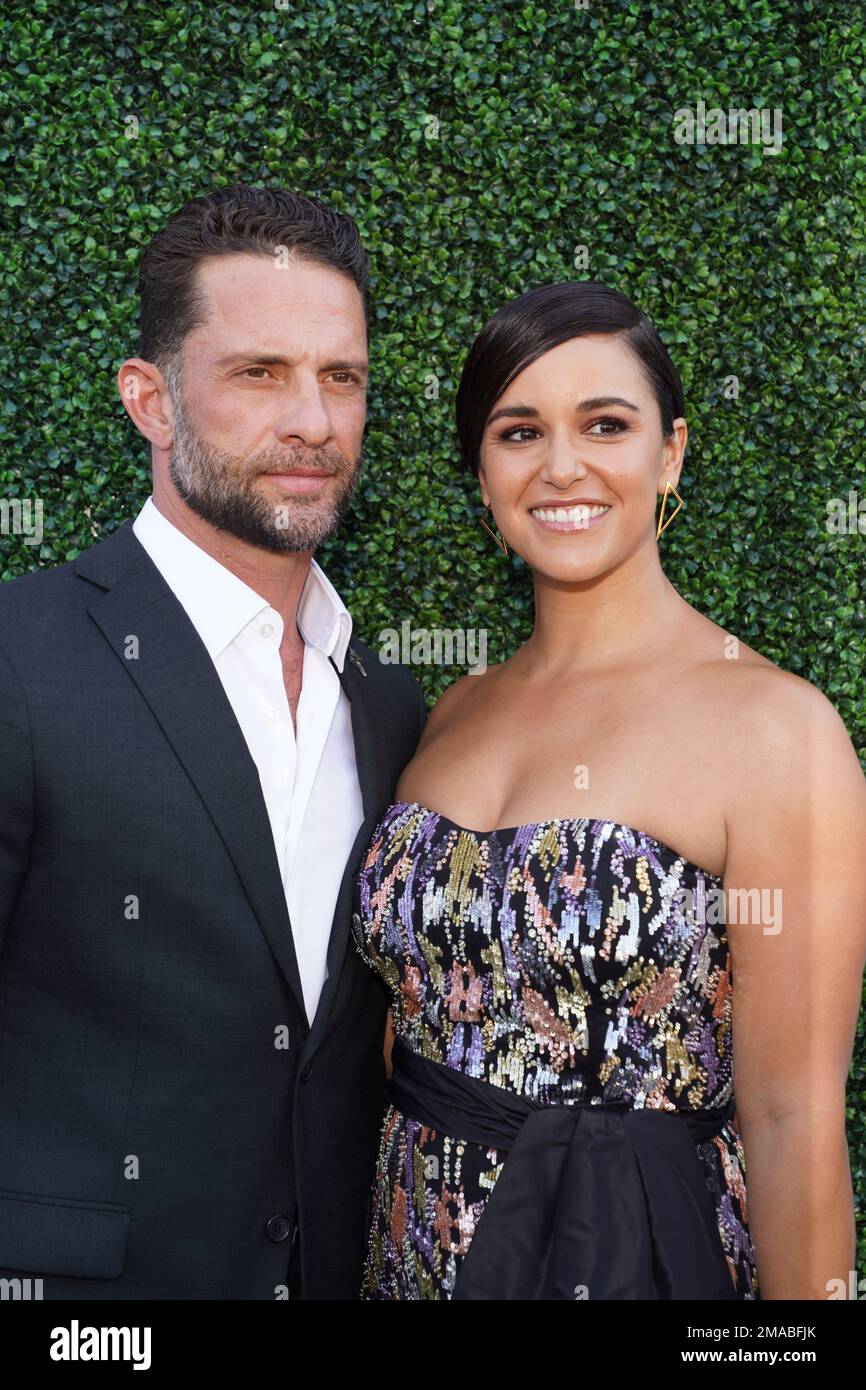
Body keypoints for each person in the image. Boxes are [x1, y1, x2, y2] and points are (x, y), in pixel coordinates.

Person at [352, 280, 866, 1300]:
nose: (561, 466)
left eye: (604, 424)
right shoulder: (451, 708)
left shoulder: (774, 727)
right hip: (404, 1249)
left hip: (629, 1253)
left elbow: (791, 1117)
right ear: (481, 471)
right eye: (517, 431)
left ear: (668, 452)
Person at [0, 185, 426, 1299]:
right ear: (150, 399)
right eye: (258, 373)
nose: (313, 420)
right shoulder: (18, 658)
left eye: (341, 377)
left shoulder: (387, 703)